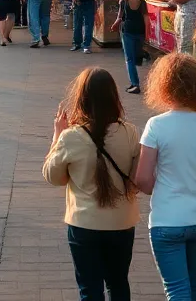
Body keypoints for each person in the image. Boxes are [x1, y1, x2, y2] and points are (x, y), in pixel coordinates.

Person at [133, 52, 196, 301]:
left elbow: (143, 179)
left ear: (163, 86)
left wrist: (165, 188)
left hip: (167, 219)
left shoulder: (156, 125)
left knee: (177, 290)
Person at [43, 68, 141, 301]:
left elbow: (53, 176)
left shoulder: (71, 136)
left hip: (84, 223)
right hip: (122, 222)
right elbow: (136, 180)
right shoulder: (130, 132)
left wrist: (57, 135)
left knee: (90, 289)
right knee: (118, 284)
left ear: (81, 98)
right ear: (113, 97)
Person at [113, 0, 149, 93]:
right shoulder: (142, 1)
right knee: (136, 56)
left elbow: (119, 17)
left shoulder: (124, 1)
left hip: (127, 30)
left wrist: (114, 25)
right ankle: (143, 57)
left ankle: (135, 84)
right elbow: (146, 20)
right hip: (140, 31)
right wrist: (147, 35)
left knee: (129, 59)